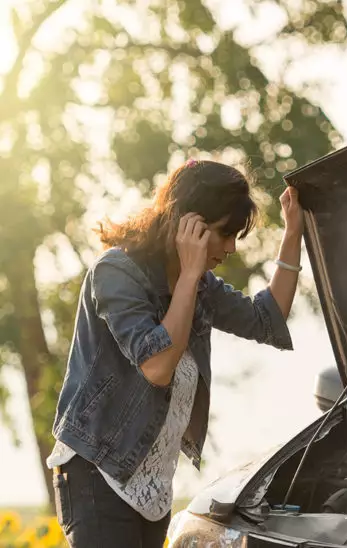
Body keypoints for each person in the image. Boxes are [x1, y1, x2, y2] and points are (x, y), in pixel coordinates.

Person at [46, 159, 303, 547]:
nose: (231, 247)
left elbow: (266, 321)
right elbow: (158, 365)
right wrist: (188, 275)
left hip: (152, 486)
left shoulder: (197, 284)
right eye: (224, 233)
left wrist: (294, 231)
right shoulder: (117, 272)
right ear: (190, 225)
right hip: (98, 475)